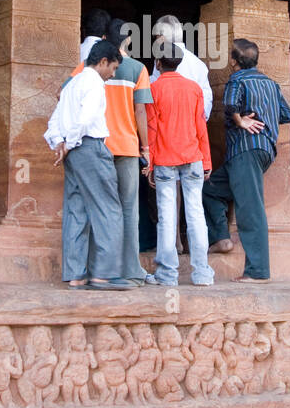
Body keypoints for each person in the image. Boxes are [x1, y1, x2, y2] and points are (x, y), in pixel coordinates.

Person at [67, 18, 154, 285]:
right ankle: (129, 269)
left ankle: (88, 270)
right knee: (127, 210)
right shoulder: (139, 68)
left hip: (94, 145)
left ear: (105, 38)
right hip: (127, 146)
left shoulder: (88, 66)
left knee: (92, 208)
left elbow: (66, 94)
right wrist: (146, 147)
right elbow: (141, 111)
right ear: (129, 41)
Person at [45, 40, 135, 290]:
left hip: (73, 152)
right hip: (90, 148)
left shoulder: (73, 83)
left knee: (77, 210)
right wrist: (70, 143)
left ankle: (76, 275)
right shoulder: (94, 83)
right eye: (113, 69)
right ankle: (104, 274)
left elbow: (54, 122)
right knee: (109, 208)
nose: (112, 75)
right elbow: (85, 120)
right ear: (103, 62)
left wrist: (60, 144)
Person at [202, 39, 290, 283]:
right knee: (209, 188)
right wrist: (263, 119)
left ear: (234, 61)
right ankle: (221, 238)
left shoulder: (237, 80)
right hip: (261, 151)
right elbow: (286, 114)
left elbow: (230, 105)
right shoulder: (271, 84)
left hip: (246, 149)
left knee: (250, 209)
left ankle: (258, 271)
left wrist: (241, 121)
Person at [144, 46, 214, 286]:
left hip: (164, 159)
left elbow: (152, 130)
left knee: (166, 217)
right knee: (196, 214)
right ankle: (202, 272)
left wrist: (149, 163)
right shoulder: (194, 89)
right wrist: (206, 160)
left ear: (158, 63)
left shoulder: (154, 89)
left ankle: (167, 274)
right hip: (193, 157)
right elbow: (201, 127)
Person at [153, 14, 213, 120]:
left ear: (161, 38)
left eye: (156, 37)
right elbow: (206, 101)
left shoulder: (162, 59)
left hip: (166, 125)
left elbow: (154, 90)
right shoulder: (199, 64)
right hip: (192, 127)